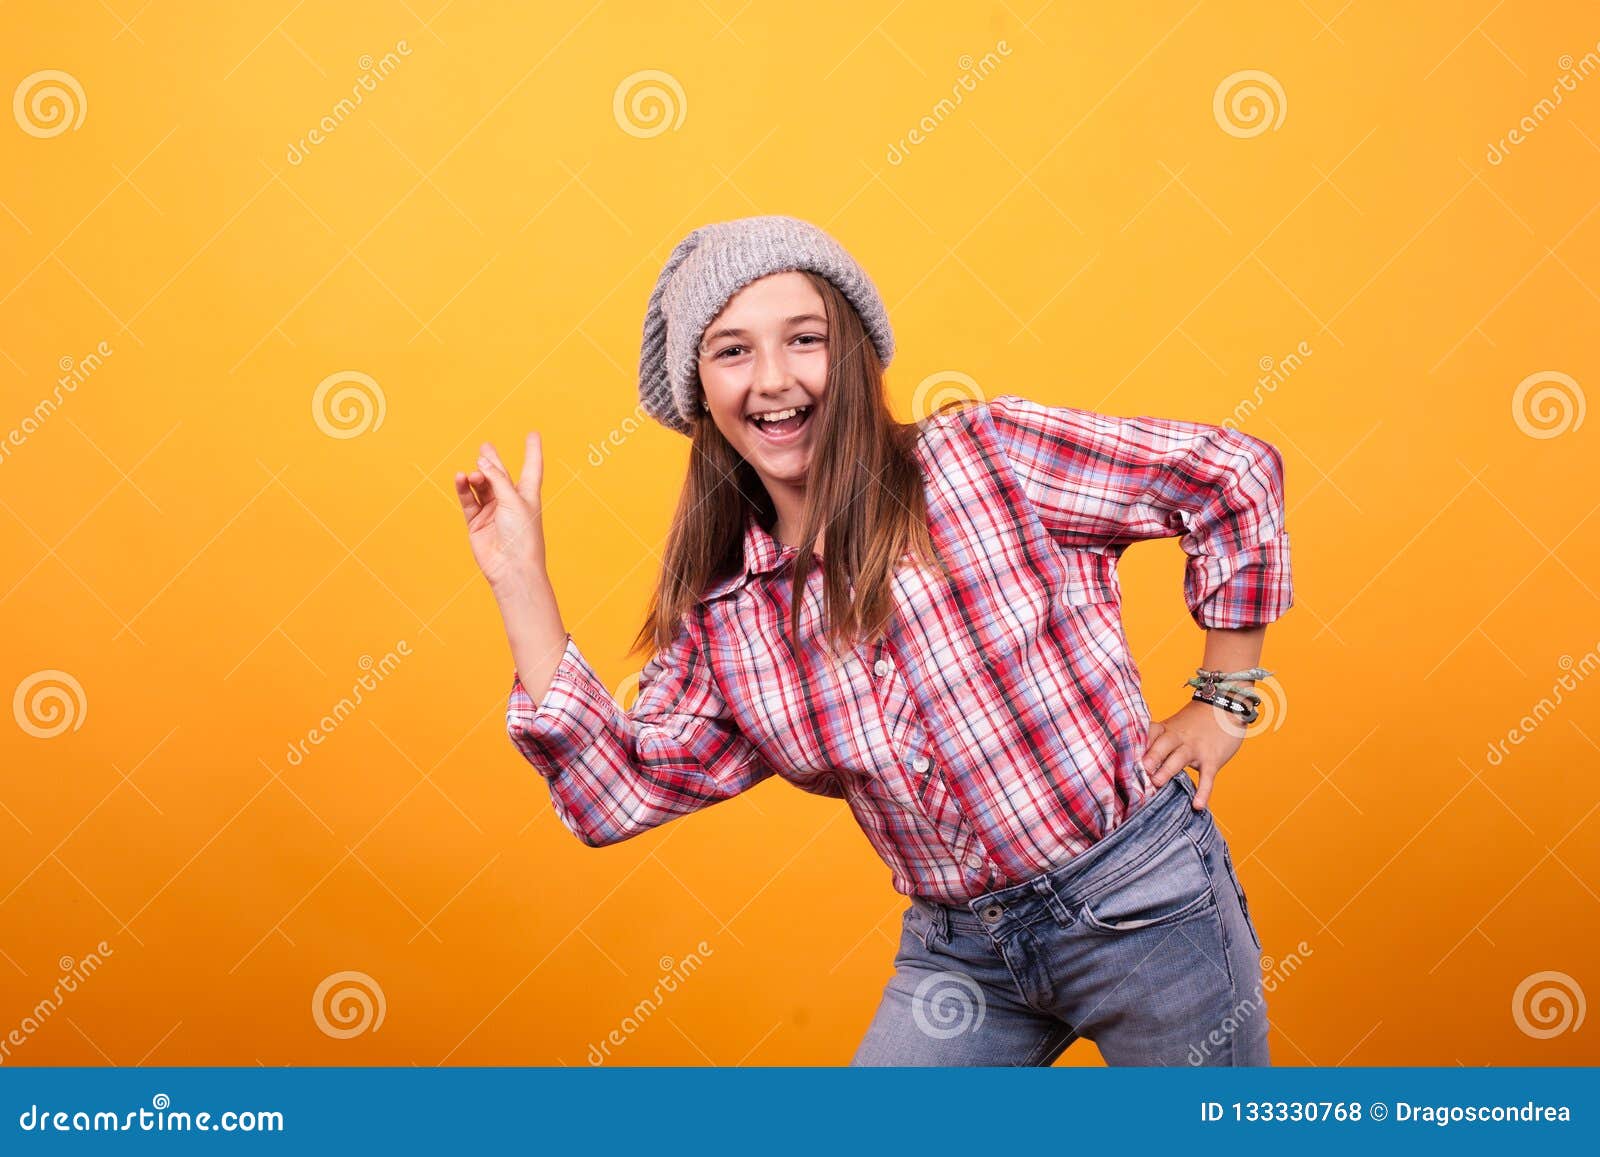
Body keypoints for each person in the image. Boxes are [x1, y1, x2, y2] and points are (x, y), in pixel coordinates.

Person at [452, 215, 1292, 1066]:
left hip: (1145, 906)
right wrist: (521, 580)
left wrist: (1224, 699)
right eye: (732, 350)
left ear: (852, 352)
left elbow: (1232, 476)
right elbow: (619, 789)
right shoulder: (727, 615)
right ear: (699, 390)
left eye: (804, 338)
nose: (773, 378)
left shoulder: (984, 457)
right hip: (964, 955)